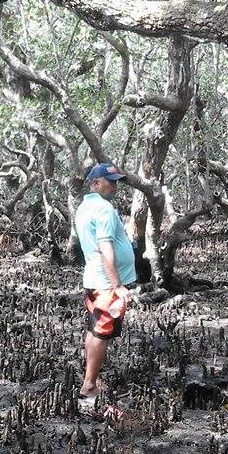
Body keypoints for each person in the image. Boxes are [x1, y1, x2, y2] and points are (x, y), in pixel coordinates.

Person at [73, 162, 137, 416]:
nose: (115, 186)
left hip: (94, 281)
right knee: (101, 333)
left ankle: (90, 380)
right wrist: (118, 285)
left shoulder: (85, 207)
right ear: (95, 183)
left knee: (94, 330)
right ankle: (88, 387)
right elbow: (105, 248)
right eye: (110, 181)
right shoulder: (103, 209)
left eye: (116, 181)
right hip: (106, 284)